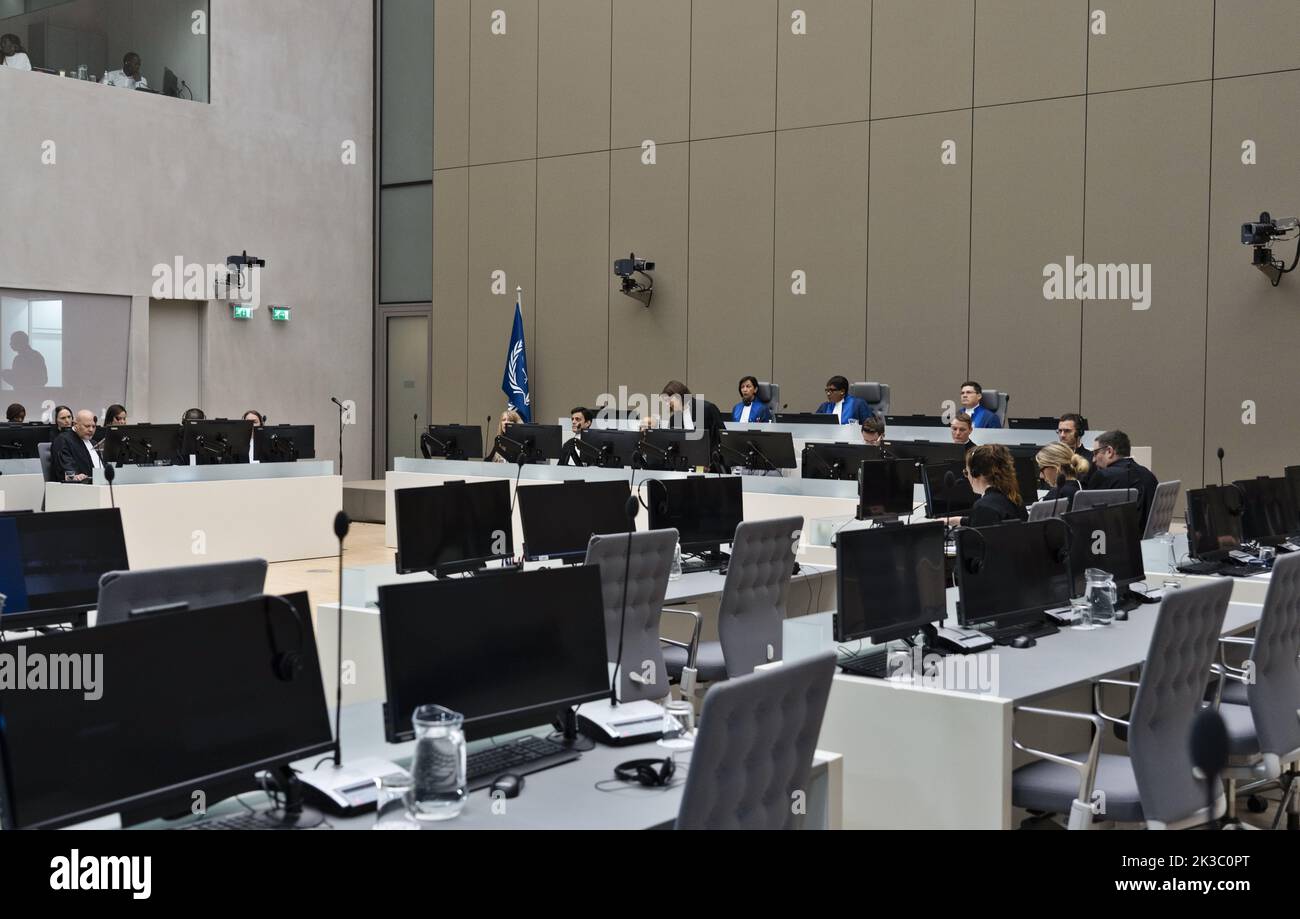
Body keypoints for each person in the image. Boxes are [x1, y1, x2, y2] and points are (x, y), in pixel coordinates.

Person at [1088, 430, 1158, 526]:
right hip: (1150, 540)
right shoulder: (1149, 475)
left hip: (1115, 539)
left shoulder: (1103, 476)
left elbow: (1089, 518)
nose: (1093, 459)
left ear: (1109, 451)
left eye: (1096, 453)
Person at [946, 444, 1027, 527]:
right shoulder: (1014, 498)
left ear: (976, 473)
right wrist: (954, 520)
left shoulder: (983, 506)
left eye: (967, 472)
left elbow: (977, 537)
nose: (967, 477)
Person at [1036, 441, 1089, 510]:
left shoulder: (1055, 495)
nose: (1041, 476)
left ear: (1057, 467)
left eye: (1042, 469)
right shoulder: (1082, 488)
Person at [53, 410, 103, 483]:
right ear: (75, 425)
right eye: (87, 426)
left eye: (94, 426)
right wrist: (75, 476)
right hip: (75, 488)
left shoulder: (94, 443)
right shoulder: (63, 440)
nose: (91, 430)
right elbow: (66, 466)